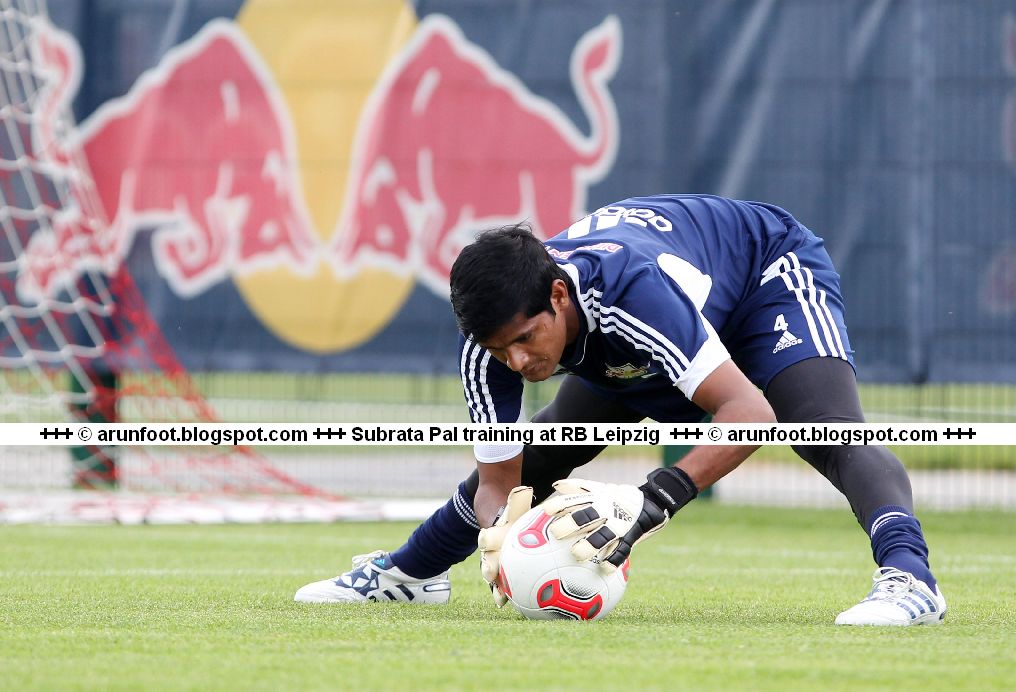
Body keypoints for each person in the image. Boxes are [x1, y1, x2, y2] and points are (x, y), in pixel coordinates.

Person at [295, 194, 945, 626]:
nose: (518, 362)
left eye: (526, 340)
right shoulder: (490, 351)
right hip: (630, 349)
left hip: (761, 280)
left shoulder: (629, 294)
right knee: (539, 458)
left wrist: (649, 501)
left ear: (558, 296)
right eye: (501, 350)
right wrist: (502, 541)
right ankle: (411, 575)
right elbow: (499, 485)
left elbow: (748, 414)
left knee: (825, 430)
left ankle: (911, 579)